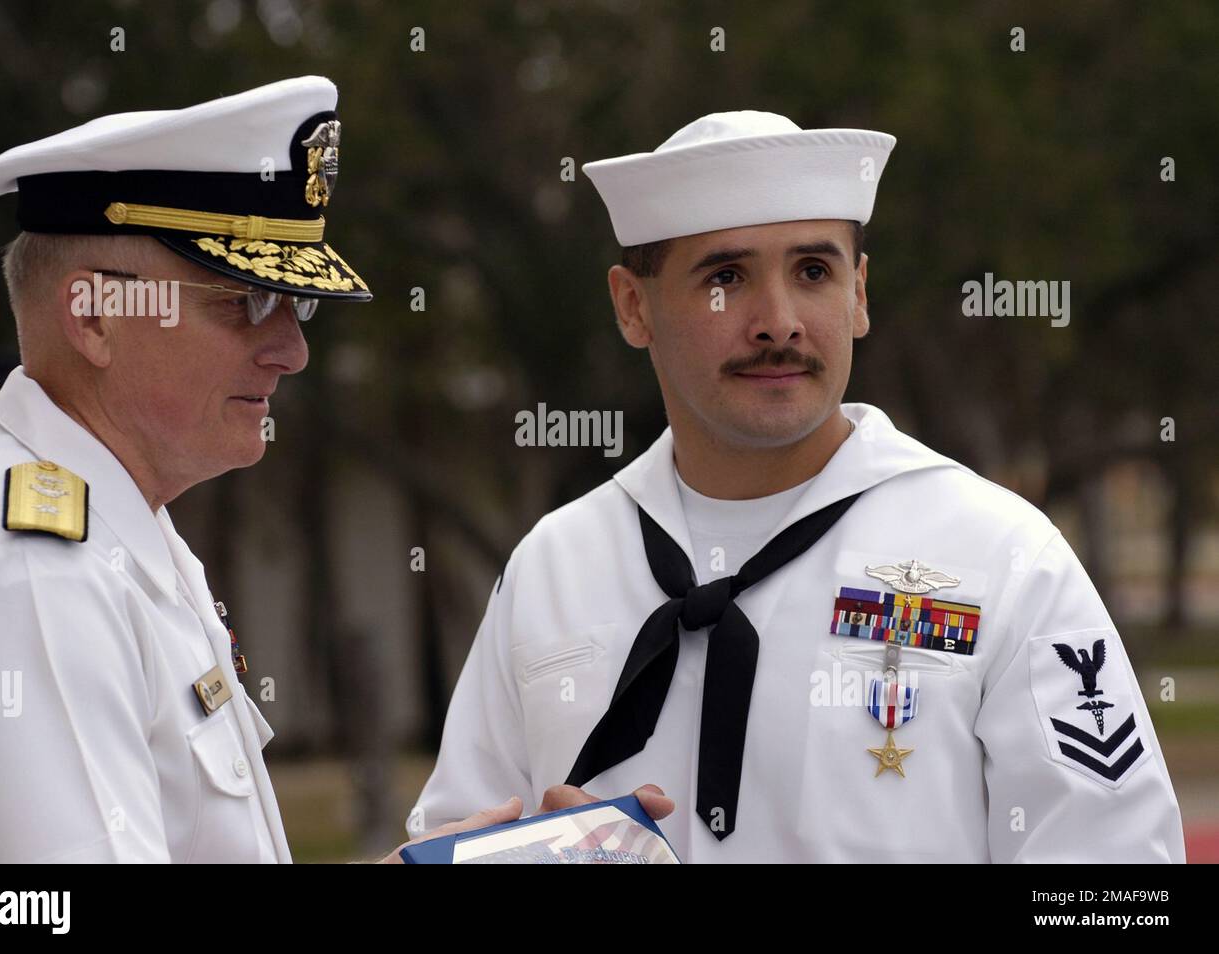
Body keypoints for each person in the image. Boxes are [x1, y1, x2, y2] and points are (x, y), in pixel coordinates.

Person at [411, 111, 1186, 862]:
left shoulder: (1003, 558)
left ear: (859, 295)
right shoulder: (552, 568)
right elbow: (452, 845)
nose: (778, 321)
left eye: (813, 271)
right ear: (633, 305)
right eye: (726, 276)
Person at [0, 75, 383, 863]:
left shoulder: (111, 534)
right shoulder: (37, 577)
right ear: (95, 317)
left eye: (294, 305)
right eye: (243, 300)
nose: (293, 351)